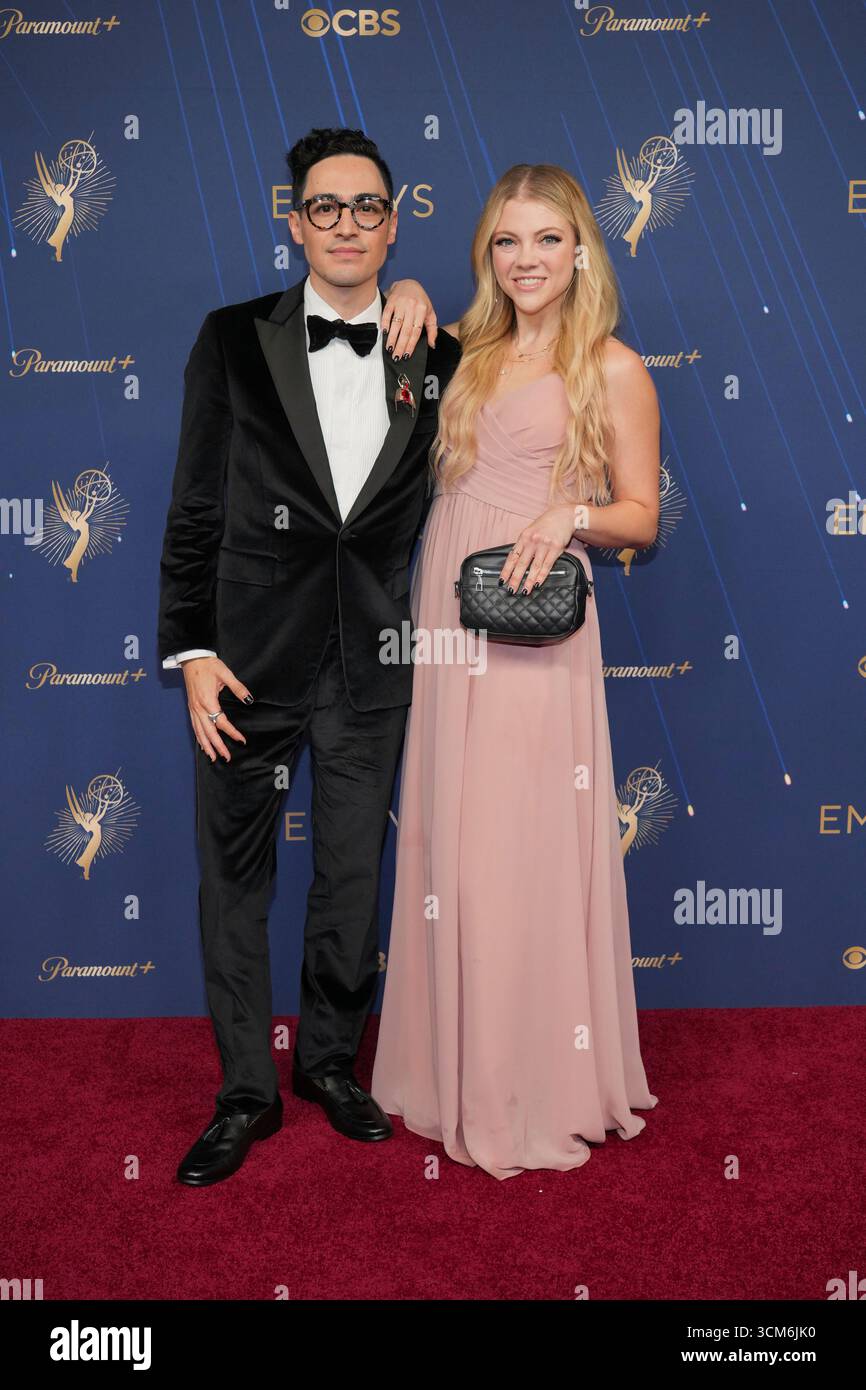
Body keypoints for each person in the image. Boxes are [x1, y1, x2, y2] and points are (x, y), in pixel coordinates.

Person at [157, 126, 459, 1186]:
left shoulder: (439, 350)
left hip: (372, 656)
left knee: (350, 874)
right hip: (243, 660)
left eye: (365, 207)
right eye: (322, 206)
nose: (344, 224)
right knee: (232, 878)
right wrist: (190, 647)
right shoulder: (230, 338)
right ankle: (244, 1089)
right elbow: (194, 507)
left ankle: (330, 1062)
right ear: (292, 221)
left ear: (392, 219)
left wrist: (424, 302)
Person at [371, 163, 661, 1180]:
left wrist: (567, 513)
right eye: (506, 240)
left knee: (513, 848)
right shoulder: (467, 348)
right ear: (485, 254)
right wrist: (403, 294)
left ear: (580, 248)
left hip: (533, 628)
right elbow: (393, 341)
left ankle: (529, 1083)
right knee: (452, 843)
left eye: (545, 239)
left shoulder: (613, 366)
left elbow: (642, 516)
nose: (525, 259)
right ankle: (447, 1072)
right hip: (447, 615)